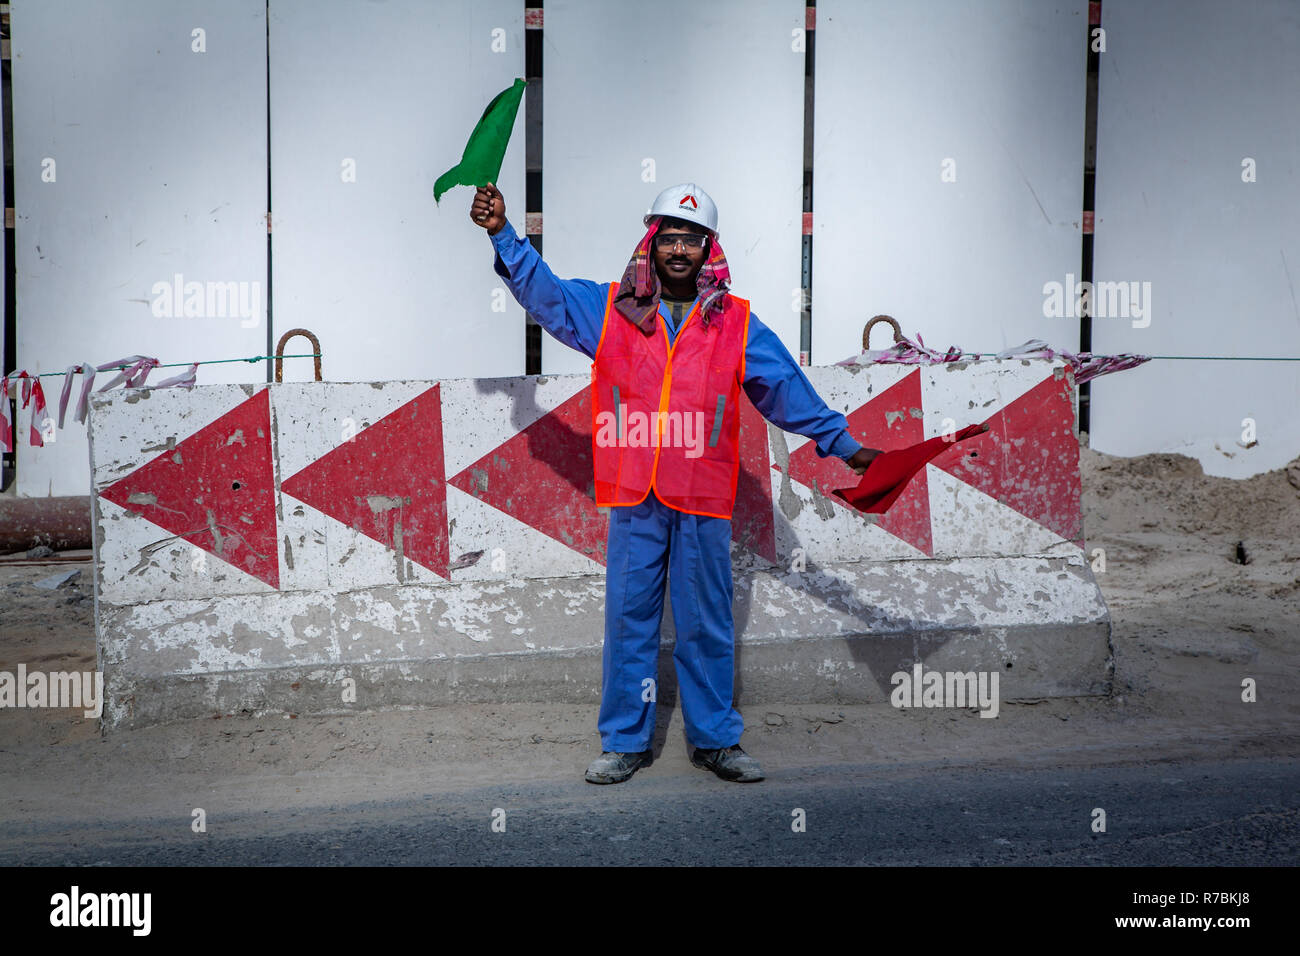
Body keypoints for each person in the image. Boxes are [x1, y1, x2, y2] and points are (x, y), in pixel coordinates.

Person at [471, 181, 879, 784]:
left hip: (702, 494)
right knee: (629, 620)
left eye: (692, 238)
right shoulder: (613, 310)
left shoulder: (735, 323)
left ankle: (715, 739)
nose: (680, 249)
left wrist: (845, 445)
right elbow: (547, 295)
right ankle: (625, 741)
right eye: (670, 237)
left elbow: (786, 391)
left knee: (705, 619)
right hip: (634, 495)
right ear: (652, 243)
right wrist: (504, 233)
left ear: (709, 248)